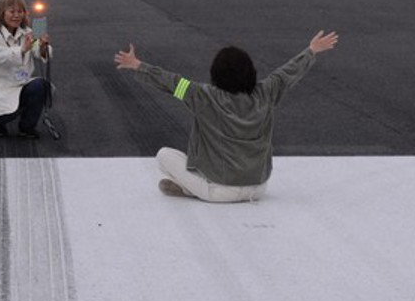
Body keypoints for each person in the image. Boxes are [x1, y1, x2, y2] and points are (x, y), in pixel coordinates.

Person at [113, 30, 339, 202]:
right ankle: (190, 188)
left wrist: (137, 65)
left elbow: (172, 84)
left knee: (164, 155)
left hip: (217, 191)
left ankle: (191, 188)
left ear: (216, 73)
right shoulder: (267, 92)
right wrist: (311, 51)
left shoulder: (201, 96)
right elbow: (287, 75)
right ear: (250, 71)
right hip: (259, 187)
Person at [0, 0, 52, 139]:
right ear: (1, 13)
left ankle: (26, 127)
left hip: (20, 85)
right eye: (12, 11)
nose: (17, 15)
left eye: (20, 11)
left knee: (41, 85)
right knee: (0, 114)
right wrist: (22, 50)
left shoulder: (28, 31)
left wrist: (43, 46)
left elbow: (40, 52)